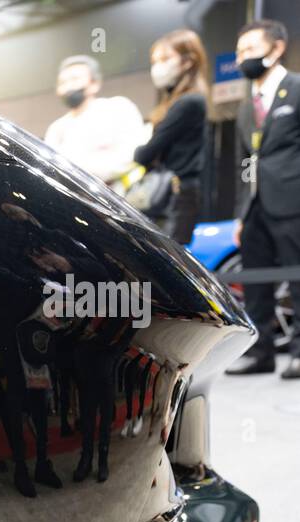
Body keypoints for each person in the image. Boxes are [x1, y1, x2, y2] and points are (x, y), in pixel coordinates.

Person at [227, 19, 300, 379]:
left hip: (292, 202)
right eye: (239, 51)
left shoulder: (297, 89)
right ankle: (260, 353)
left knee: (296, 276)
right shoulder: (245, 107)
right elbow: (246, 162)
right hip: (255, 207)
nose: (243, 58)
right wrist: (241, 215)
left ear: (276, 48)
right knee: (255, 281)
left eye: (251, 49)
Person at [133, 30, 209, 244]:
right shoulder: (175, 102)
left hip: (176, 195)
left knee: (166, 258)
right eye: (155, 61)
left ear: (188, 62)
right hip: (171, 195)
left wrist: (138, 150)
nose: (158, 67)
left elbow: (146, 153)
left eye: (165, 59)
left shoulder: (189, 102)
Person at [45, 55, 146, 188]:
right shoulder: (56, 128)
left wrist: (81, 168)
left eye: (74, 79)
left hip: (118, 197)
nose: (68, 86)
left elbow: (132, 154)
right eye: (62, 82)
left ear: (94, 84)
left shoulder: (117, 108)